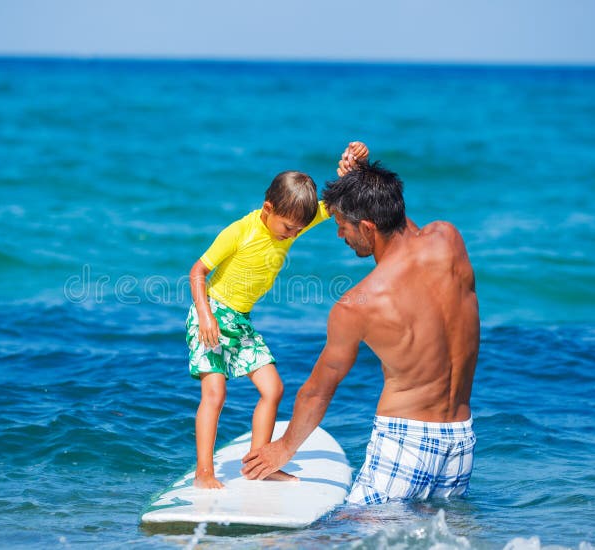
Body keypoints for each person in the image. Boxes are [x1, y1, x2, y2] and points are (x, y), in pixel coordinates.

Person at [241, 152, 480, 505]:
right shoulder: (449, 240)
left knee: (350, 531)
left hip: (404, 442)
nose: (339, 233)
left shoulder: (357, 304)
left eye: (342, 225)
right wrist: (359, 178)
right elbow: (398, 224)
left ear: (367, 228)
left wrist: (283, 448)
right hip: (460, 443)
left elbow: (317, 392)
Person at [187, 142, 370, 489]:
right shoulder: (239, 232)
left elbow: (335, 203)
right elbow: (198, 271)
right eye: (288, 228)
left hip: (240, 321)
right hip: (210, 315)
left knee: (273, 389)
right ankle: (204, 473)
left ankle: (260, 464)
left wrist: (353, 166)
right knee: (215, 393)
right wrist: (206, 316)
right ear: (268, 208)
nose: (293, 234)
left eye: (299, 230)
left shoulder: (292, 219)